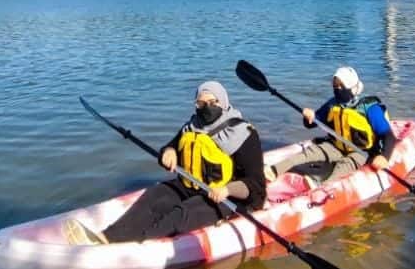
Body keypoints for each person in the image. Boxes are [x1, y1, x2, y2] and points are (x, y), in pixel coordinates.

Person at [64, 81, 265, 245]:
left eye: (212, 102)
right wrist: (168, 152)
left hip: (227, 198)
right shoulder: (192, 126)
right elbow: (171, 146)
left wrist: (227, 190)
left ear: (223, 102)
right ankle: (108, 237)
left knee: (181, 214)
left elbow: (256, 185)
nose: (206, 108)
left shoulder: (243, 134)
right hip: (191, 185)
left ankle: (132, 246)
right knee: (154, 196)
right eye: (201, 104)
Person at [263, 67, 396, 186]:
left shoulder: (370, 109)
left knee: (345, 165)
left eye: (341, 85)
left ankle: (323, 189)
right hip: (336, 146)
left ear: (351, 86)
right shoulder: (333, 104)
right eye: (335, 85)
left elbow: (389, 136)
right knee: (309, 153)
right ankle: (273, 171)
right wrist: (308, 116)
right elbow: (312, 123)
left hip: (361, 152)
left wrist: (384, 157)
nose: (337, 89)